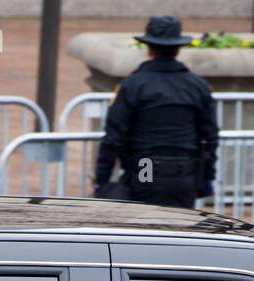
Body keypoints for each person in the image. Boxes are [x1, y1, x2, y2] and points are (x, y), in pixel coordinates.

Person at [93, 15, 219, 209]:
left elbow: (113, 138)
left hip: (146, 167)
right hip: (183, 173)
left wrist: (102, 179)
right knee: (181, 233)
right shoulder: (197, 86)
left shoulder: (132, 85)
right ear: (178, 48)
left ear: (149, 48)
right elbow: (210, 137)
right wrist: (206, 177)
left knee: (143, 228)